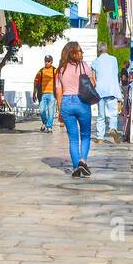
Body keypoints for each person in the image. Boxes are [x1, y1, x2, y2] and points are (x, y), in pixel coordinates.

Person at [54, 40, 94, 178]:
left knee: (73, 139)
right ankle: (82, 161)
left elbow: (58, 92)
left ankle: (76, 167)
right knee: (85, 135)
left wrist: (60, 110)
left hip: (66, 103)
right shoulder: (84, 66)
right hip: (82, 101)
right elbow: (92, 84)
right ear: (75, 52)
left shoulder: (60, 70)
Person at [91, 43, 120, 143]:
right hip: (111, 89)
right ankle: (112, 128)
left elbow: (93, 79)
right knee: (113, 114)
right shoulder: (114, 59)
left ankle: (100, 138)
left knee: (101, 116)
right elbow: (116, 74)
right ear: (106, 49)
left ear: (98, 50)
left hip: (100, 91)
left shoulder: (95, 62)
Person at [33, 55, 57, 133]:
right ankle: (45, 122)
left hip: (52, 94)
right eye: (45, 61)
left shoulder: (55, 70)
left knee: (51, 111)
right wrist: (34, 92)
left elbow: (59, 81)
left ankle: (49, 127)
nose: (47, 63)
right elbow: (36, 81)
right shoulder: (41, 71)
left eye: (48, 61)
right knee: (42, 110)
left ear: (51, 62)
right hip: (42, 94)